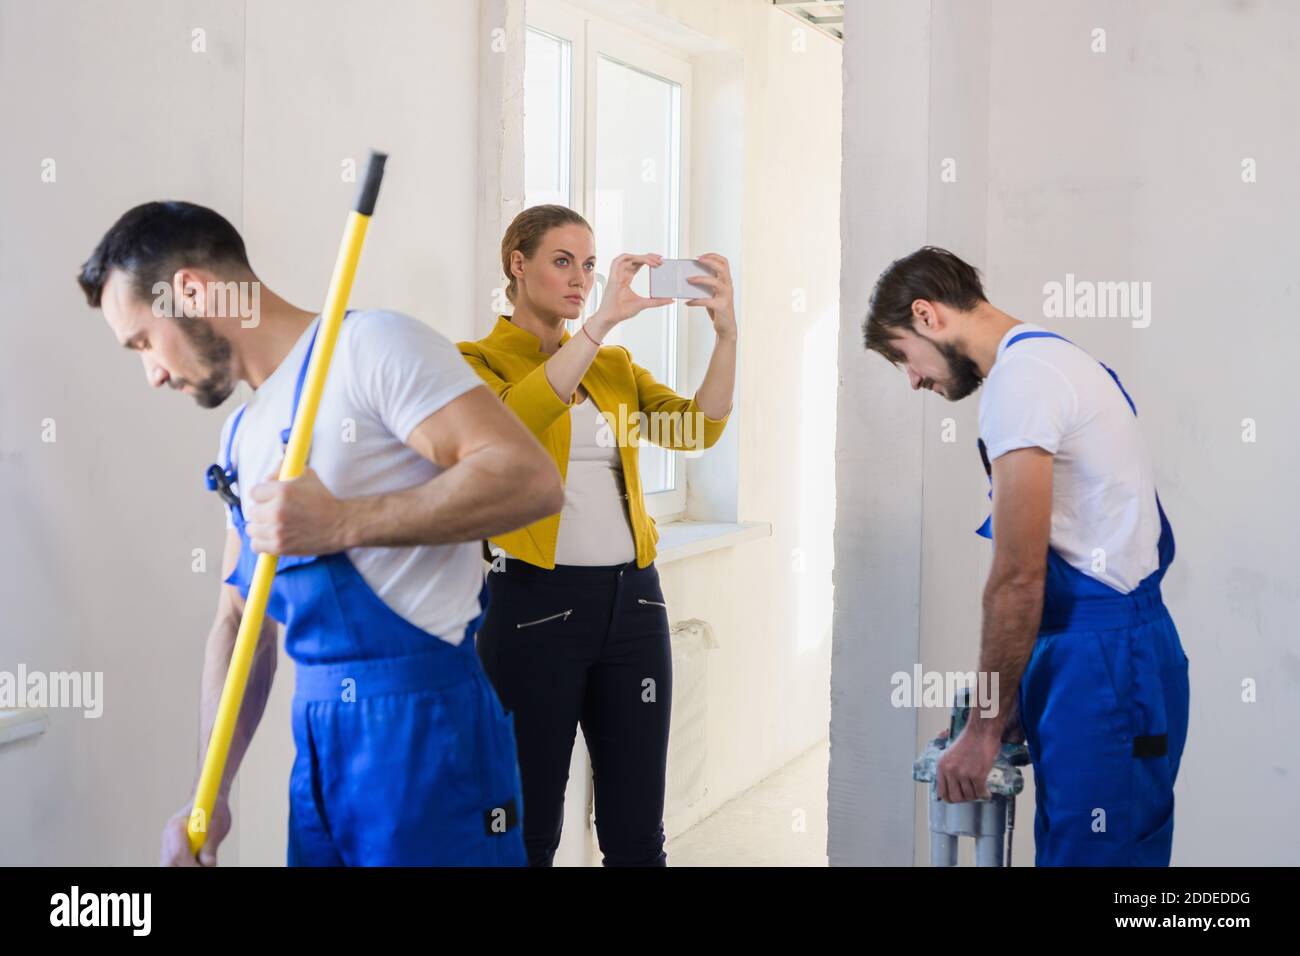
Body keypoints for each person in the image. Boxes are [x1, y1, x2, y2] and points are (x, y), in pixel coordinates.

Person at [78, 200, 564, 866]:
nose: (152, 372)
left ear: (189, 290)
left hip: (428, 742)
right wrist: (209, 794)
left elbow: (529, 479)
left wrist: (342, 522)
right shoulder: (242, 434)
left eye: (142, 341)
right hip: (319, 756)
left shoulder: (372, 347)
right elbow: (237, 621)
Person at [862, 246, 1190, 866]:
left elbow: (1017, 575)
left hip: (1103, 662)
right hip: (1104, 654)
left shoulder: (1024, 382)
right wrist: (1008, 699)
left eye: (903, 356)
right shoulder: (1055, 360)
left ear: (928, 315)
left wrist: (983, 731)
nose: (913, 379)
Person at [458, 205, 736, 865]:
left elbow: (697, 430)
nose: (579, 279)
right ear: (516, 265)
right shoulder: (478, 362)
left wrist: (727, 337)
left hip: (635, 607)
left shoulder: (615, 370)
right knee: (528, 828)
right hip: (532, 609)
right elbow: (517, 423)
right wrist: (602, 321)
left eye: (588, 264)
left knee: (637, 831)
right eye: (562, 261)